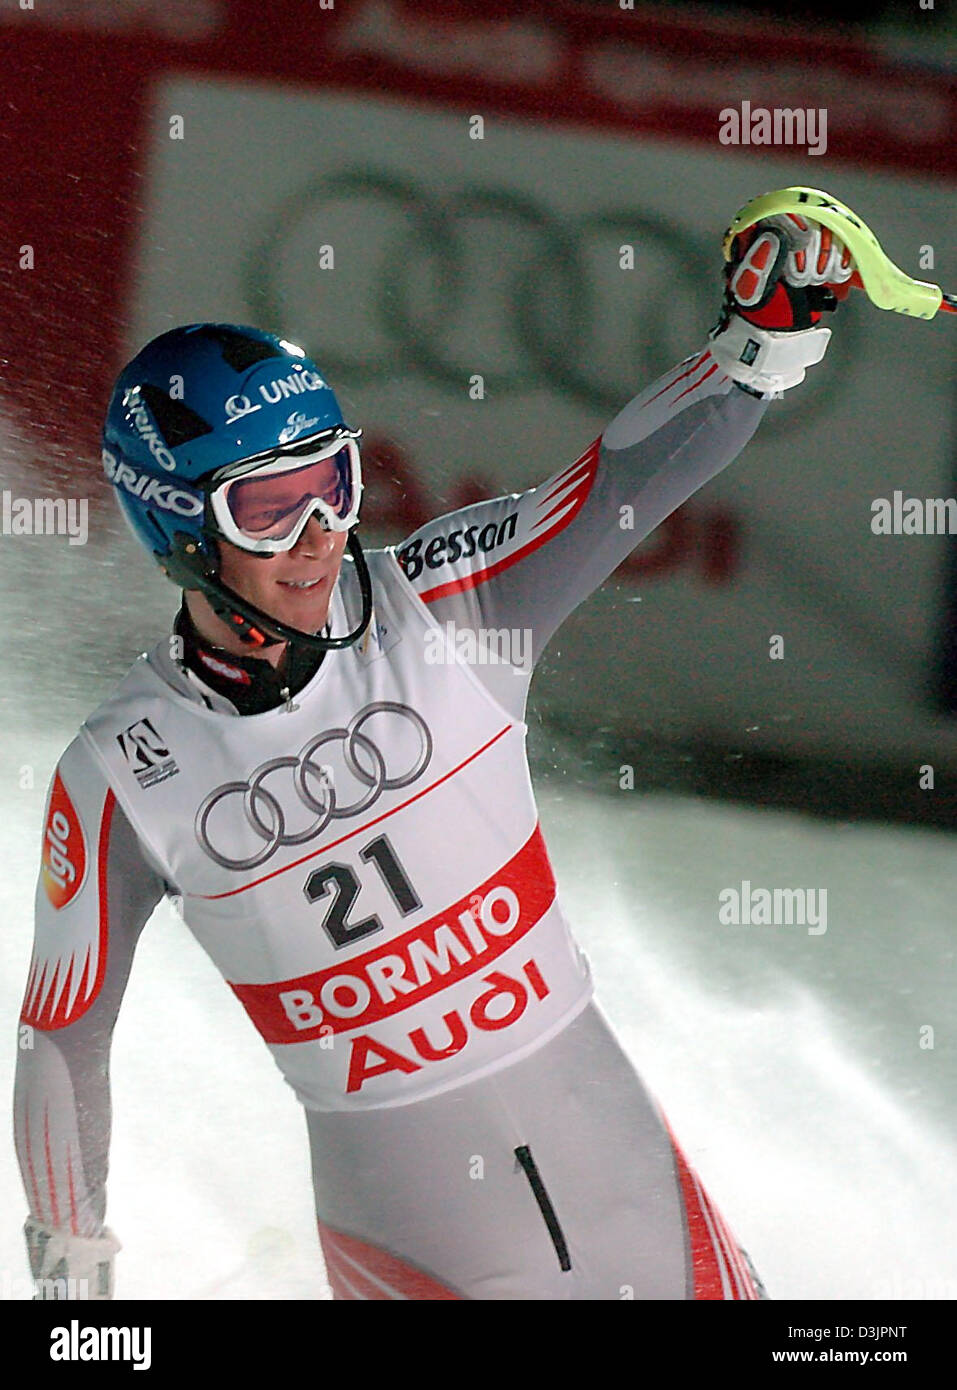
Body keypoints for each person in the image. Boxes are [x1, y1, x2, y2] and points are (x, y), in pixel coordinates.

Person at [14, 210, 854, 1300]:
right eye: (271, 509)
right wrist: (70, 1277)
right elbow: (62, 1041)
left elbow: (617, 484)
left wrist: (759, 344)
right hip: (410, 1235)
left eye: (334, 484)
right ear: (176, 525)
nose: (318, 535)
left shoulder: (450, 602)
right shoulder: (120, 773)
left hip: (626, 1183)